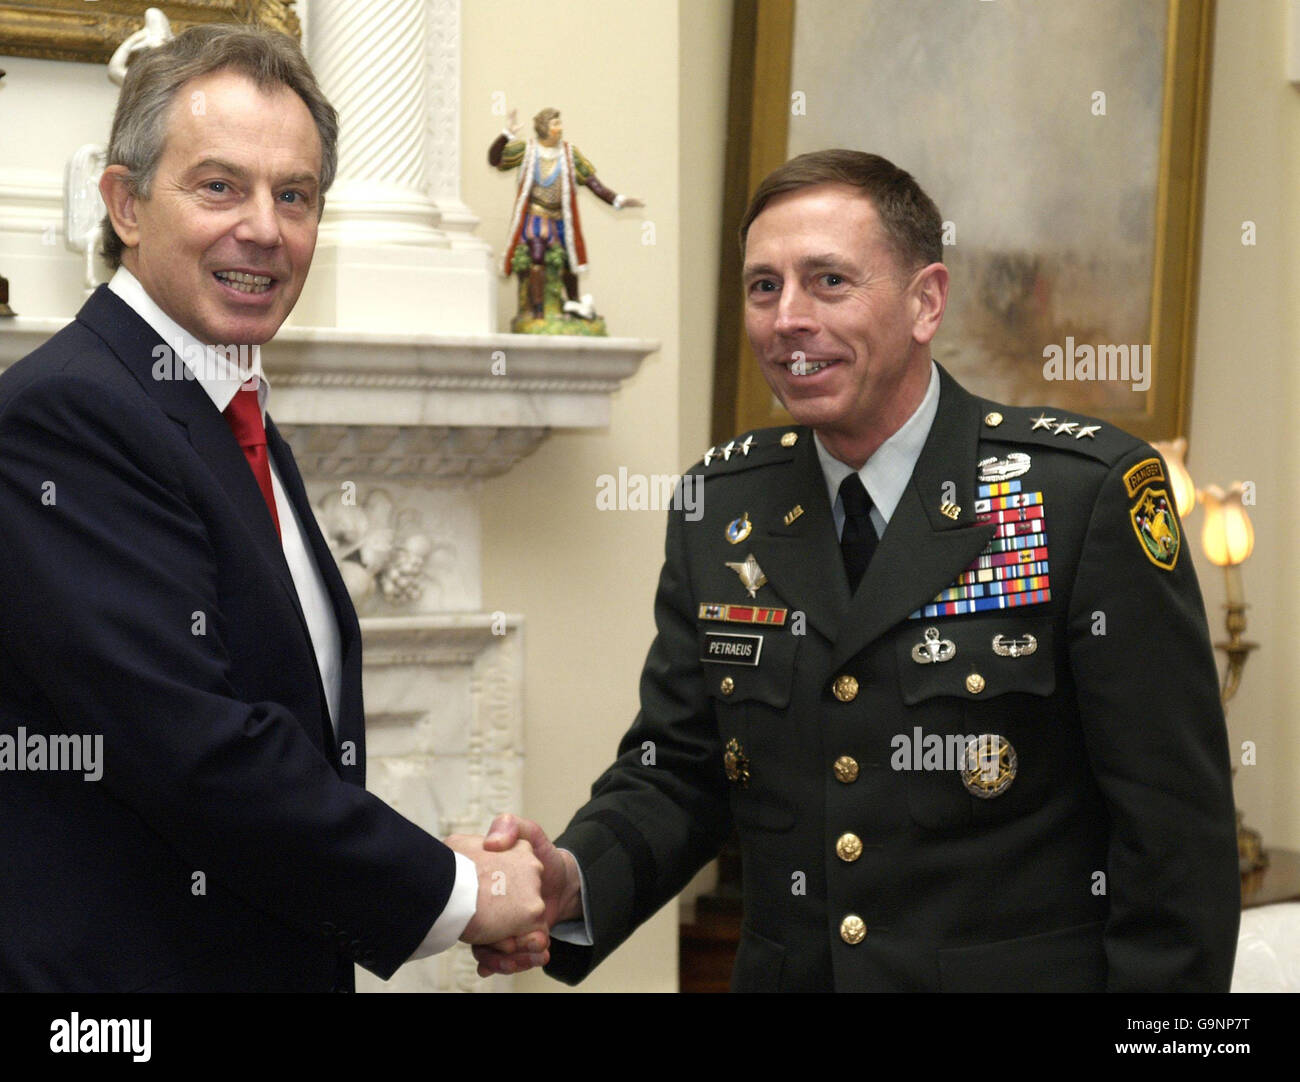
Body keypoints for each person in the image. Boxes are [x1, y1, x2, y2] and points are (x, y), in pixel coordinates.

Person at [477, 149, 1242, 991]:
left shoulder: (1081, 499)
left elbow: (1176, 845)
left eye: (829, 281)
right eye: (763, 287)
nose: (787, 318)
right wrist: (572, 878)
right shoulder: (721, 505)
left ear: (926, 302)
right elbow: (683, 767)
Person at [0, 24, 545, 992]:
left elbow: (283, 736)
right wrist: (461, 891)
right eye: (219, 186)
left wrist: (425, 868)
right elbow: (200, 755)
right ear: (124, 204)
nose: (264, 227)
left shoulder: (221, 404)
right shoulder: (70, 413)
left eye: (294, 195)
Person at [489, 107, 642, 320]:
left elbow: (592, 183)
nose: (560, 129)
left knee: (570, 259)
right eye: (555, 124)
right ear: (544, 128)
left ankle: (573, 302)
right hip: (536, 215)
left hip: (561, 218)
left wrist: (617, 200)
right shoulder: (527, 150)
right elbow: (494, 160)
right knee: (537, 253)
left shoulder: (570, 154)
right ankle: (538, 312)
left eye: (559, 124)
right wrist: (507, 135)